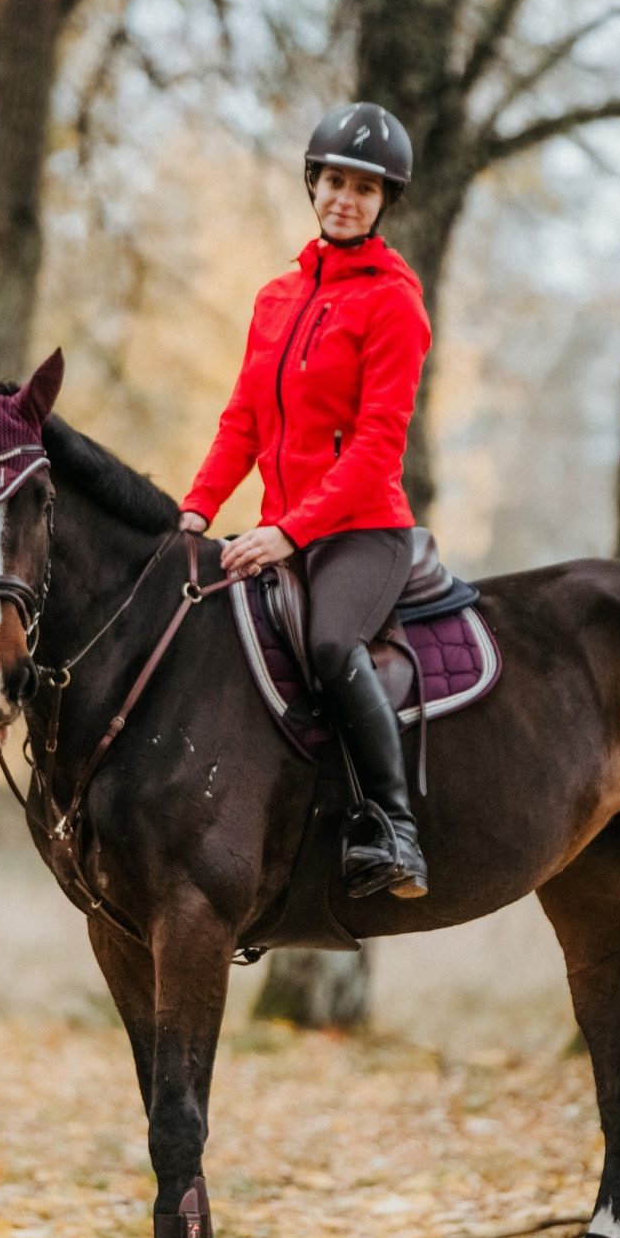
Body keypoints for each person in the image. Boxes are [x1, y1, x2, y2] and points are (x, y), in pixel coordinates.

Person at [177, 102, 431, 901]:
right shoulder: (276, 298)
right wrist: (194, 511)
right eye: (333, 181)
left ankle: (395, 826)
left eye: (364, 187)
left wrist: (288, 530)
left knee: (327, 646)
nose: (345, 198)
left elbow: (375, 449)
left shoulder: (395, 302)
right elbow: (244, 420)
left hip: (362, 531)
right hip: (284, 527)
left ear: (384, 201)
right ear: (312, 186)